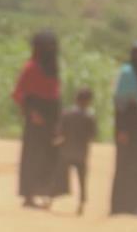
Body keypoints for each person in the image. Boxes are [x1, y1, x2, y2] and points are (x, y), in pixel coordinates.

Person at [12, 30, 64, 209]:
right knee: (32, 156)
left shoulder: (54, 68)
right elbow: (18, 93)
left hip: (51, 117)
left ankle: (45, 193)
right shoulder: (31, 67)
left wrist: (59, 122)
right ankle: (29, 195)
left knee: (50, 156)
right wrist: (31, 113)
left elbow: (56, 95)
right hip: (35, 119)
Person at [110, 41, 137, 217]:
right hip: (128, 122)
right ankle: (121, 205)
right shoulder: (127, 72)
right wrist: (121, 129)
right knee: (124, 163)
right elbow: (120, 102)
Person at [55, 87, 97, 217]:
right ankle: (81, 203)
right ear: (89, 101)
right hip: (81, 153)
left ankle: (50, 199)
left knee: (58, 175)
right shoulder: (90, 116)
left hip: (66, 151)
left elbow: (59, 131)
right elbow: (93, 135)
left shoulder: (66, 114)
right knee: (82, 179)